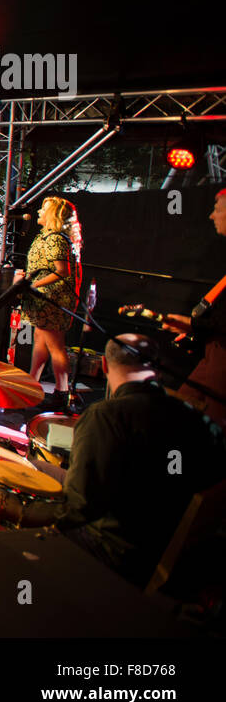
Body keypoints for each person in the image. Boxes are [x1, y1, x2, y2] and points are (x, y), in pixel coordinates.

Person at [57, 334, 226, 588]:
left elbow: (77, 509)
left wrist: (28, 513)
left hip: (111, 556)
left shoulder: (105, 417)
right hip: (168, 556)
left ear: (104, 365)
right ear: (157, 367)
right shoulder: (196, 419)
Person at [160, 186, 226, 426]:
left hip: (221, 361)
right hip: (213, 354)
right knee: (182, 409)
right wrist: (194, 326)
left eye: (217, 209)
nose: (211, 215)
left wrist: (193, 324)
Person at [21, 195, 82, 412]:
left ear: (53, 215)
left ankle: (62, 392)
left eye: (43, 209)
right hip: (44, 299)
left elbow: (61, 271)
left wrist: (34, 284)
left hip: (52, 299)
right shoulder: (48, 237)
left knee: (55, 346)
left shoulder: (55, 238)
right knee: (40, 341)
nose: (38, 211)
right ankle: (31, 384)